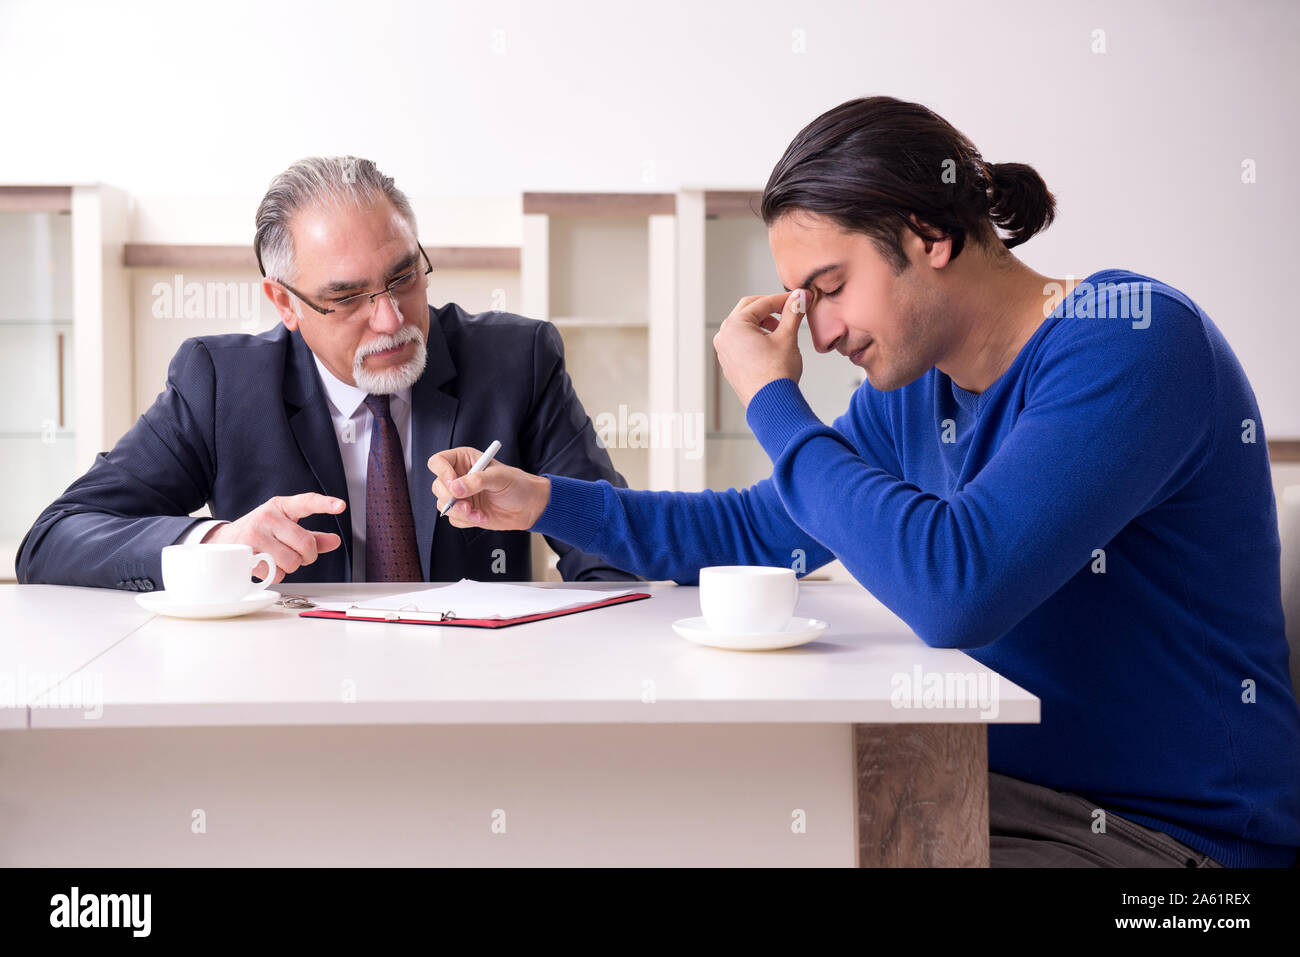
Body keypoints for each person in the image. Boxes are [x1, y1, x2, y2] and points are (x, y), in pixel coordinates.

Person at [427, 97, 1300, 867]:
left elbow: (959, 587)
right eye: (804, 301)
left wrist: (773, 402)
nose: (822, 333)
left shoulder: (1131, 340)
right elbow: (753, 530)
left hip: (1172, 846)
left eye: (831, 287)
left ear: (929, 234)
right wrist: (545, 501)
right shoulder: (913, 391)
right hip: (985, 787)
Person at [17, 156, 634, 588]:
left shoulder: (517, 360)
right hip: (286, 699)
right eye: (346, 297)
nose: (390, 320)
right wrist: (215, 544)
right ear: (284, 303)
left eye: (403, 277)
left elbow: (616, 553)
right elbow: (55, 538)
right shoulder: (220, 382)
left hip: (473, 693)